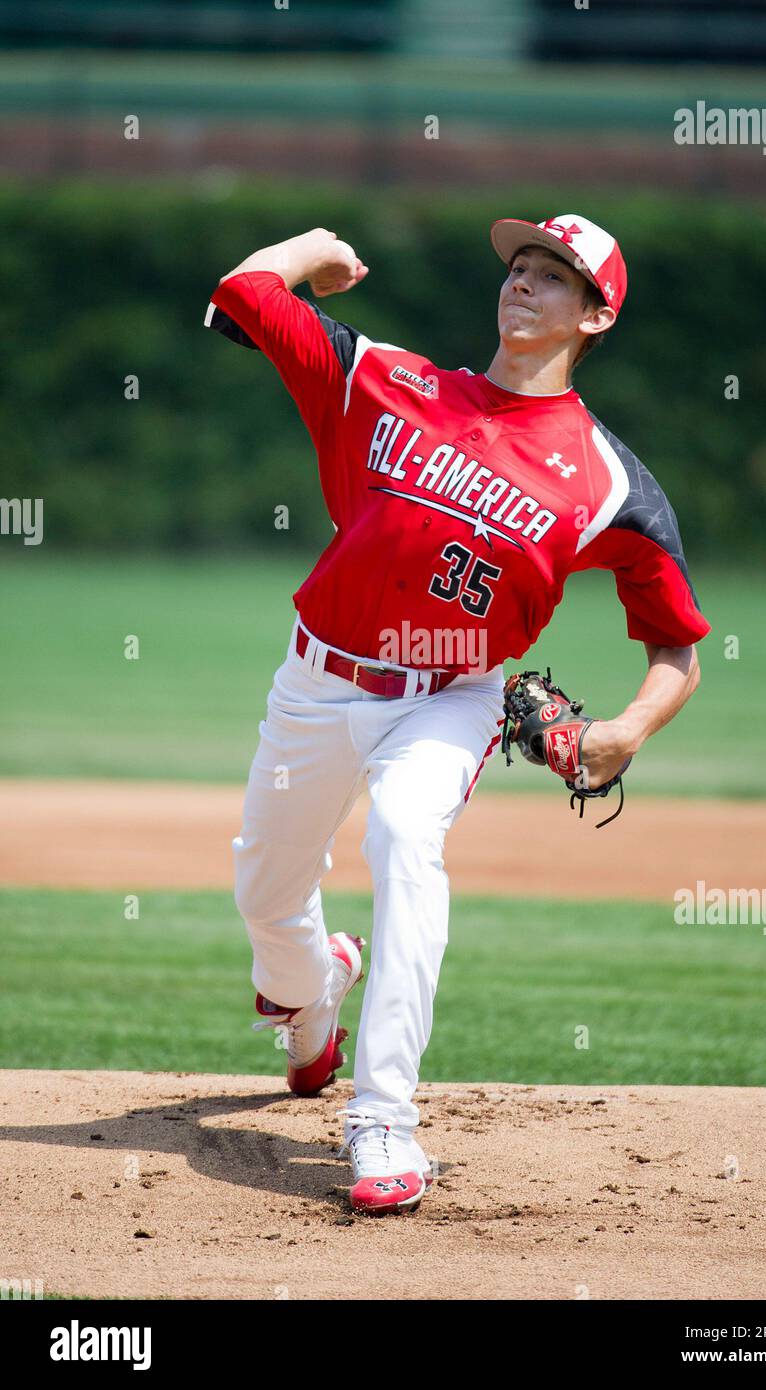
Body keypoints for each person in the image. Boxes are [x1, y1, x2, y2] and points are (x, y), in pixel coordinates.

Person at [204, 212, 710, 1214]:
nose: (523, 281)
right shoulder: (391, 382)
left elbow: (674, 647)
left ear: (596, 315)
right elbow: (244, 293)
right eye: (518, 265)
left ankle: (382, 1119)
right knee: (266, 900)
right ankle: (315, 988)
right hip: (317, 682)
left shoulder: (608, 482)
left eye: (553, 275)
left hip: (451, 697)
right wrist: (314, 248)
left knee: (402, 839)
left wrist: (626, 730)